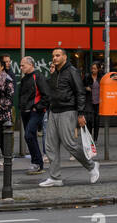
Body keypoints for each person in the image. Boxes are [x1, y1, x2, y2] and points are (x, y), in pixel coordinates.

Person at [39, 47, 99, 187]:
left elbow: (80, 92)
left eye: (58, 55)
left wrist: (80, 113)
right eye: (53, 56)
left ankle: (92, 166)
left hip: (68, 111)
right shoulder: (55, 73)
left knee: (70, 144)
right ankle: (55, 177)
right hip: (53, 111)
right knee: (50, 146)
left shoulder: (72, 71)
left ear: (65, 57)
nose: (55, 58)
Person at [17, 56, 49, 173]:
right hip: (25, 112)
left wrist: (37, 108)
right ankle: (37, 163)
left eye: (23, 65)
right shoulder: (25, 78)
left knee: (29, 135)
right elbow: (22, 95)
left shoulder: (38, 76)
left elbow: (47, 95)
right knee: (30, 136)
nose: (21, 68)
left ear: (31, 65)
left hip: (35, 112)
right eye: (20, 65)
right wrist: (21, 108)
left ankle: (37, 163)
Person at [83, 61, 102, 143]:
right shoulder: (87, 76)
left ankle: (95, 139)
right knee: (90, 121)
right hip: (89, 102)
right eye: (92, 68)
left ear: (98, 69)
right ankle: (90, 138)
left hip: (98, 103)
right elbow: (81, 86)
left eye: (95, 69)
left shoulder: (101, 78)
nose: (93, 70)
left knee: (97, 121)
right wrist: (86, 88)